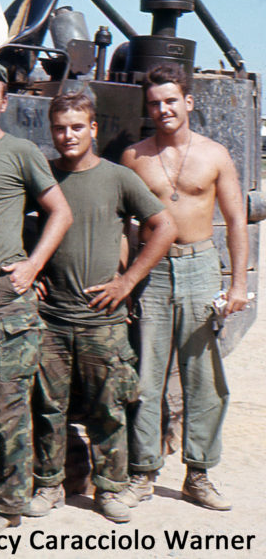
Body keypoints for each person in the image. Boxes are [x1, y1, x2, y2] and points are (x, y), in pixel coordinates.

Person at [27, 92, 175, 524]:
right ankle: (49, 485)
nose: (67, 135)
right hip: (52, 316)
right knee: (47, 407)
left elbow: (163, 224)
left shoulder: (117, 177)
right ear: (51, 130)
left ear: (93, 129)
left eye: (77, 127)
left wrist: (128, 280)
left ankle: (109, 489)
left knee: (108, 409)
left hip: (102, 319)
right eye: (59, 127)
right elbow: (14, 224)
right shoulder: (44, 177)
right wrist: (31, 272)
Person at [119, 63, 248, 511]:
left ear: (188, 102)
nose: (163, 109)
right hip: (152, 273)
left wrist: (236, 285)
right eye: (155, 102)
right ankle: (142, 473)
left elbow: (235, 222)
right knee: (146, 378)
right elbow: (128, 226)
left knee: (203, 379)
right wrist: (126, 280)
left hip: (199, 268)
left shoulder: (215, 155)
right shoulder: (135, 157)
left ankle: (199, 473)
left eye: (171, 100)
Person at [0, 58, 73, 533]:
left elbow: (60, 212)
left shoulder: (21, 151)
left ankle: (7, 507)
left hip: (7, 296)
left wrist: (32, 265)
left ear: (4, 103)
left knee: (9, 403)